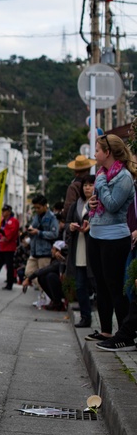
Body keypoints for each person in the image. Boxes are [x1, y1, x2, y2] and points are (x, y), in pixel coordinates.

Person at [84, 134, 137, 344]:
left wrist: (102, 184)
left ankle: (125, 335)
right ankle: (106, 330)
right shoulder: (102, 174)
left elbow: (113, 204)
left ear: (107, 152)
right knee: (101, 285)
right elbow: (98, 203)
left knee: (115, 285)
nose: (94, 153)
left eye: (97, 150)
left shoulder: (122, 177)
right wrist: (90, 205)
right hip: (96, 234)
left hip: (115, 237)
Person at [65, 174, 95, 328]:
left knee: (96, 285)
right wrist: (71, 227)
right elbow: (68, 223)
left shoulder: (98, 204)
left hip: (93, 250)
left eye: (90, 184)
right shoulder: (76, 204)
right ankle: (85, 317)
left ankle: (104, 322)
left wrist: (90, 226)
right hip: (78, 249)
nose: (87, 188)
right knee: (80, 285)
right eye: (85, 185)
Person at [23, 194, 59, 290]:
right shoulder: (36, 216)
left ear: (45, 206)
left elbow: (54, 234)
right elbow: (33, 228)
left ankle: (45, 298)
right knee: (29, 272)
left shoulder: (52, 217)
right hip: (34, 250)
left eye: (38, 207)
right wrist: (30, 230)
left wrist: (39, 232)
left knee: (43, 275)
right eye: (35, 208)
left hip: (45, 251)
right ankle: (43, 294)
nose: (37, 210)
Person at [21, 240, 67, 310]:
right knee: (42, 277)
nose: (51, 251)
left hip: (67, 289)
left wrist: (29, 279)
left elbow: (45, 270)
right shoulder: (56, 260)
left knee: (50, 276)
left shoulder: (61, 261)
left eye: (53, 249)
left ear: (59, 251)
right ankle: (54, 301)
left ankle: (58, 302)